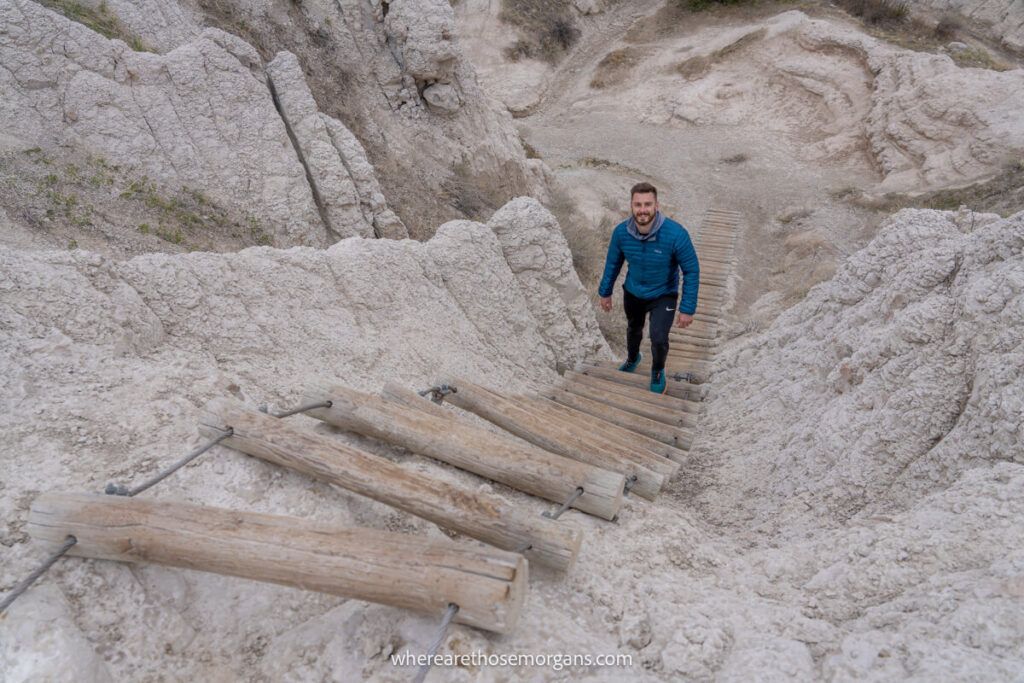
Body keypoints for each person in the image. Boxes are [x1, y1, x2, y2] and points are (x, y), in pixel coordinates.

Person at [598, 182, 700, 394]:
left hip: (664, 293)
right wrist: (605, 292)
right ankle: (633, 358)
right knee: (633, 329)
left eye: (647, 204)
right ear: (631, 206)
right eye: (638, 205)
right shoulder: (621, 233)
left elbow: (691, 270)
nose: (642, 210)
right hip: (633, 291)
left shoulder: (676, 234)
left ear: (656, 205)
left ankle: (657, 370)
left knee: (658, 337)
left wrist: (687, 308)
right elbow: (613, 264)